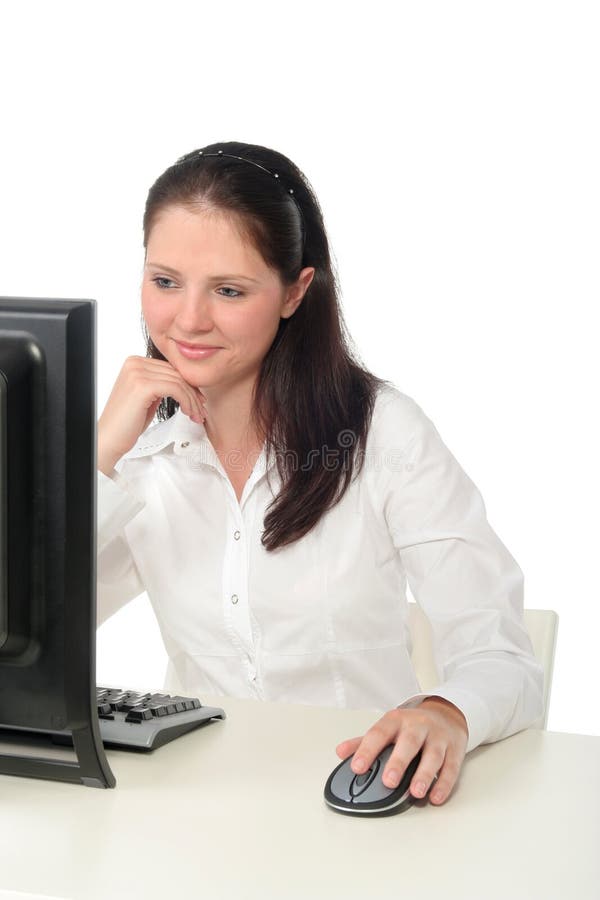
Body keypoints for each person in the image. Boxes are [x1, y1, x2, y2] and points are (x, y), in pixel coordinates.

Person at [96, 140, 544, 807]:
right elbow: (23, 639)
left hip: (362, 803)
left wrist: (447, 712)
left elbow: (502, 656)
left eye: (229, 290)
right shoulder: (141, 457)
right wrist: (94, 456)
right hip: (198, 810)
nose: (187, 319)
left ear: (295, 291)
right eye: (165, 282)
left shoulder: (382, 435)